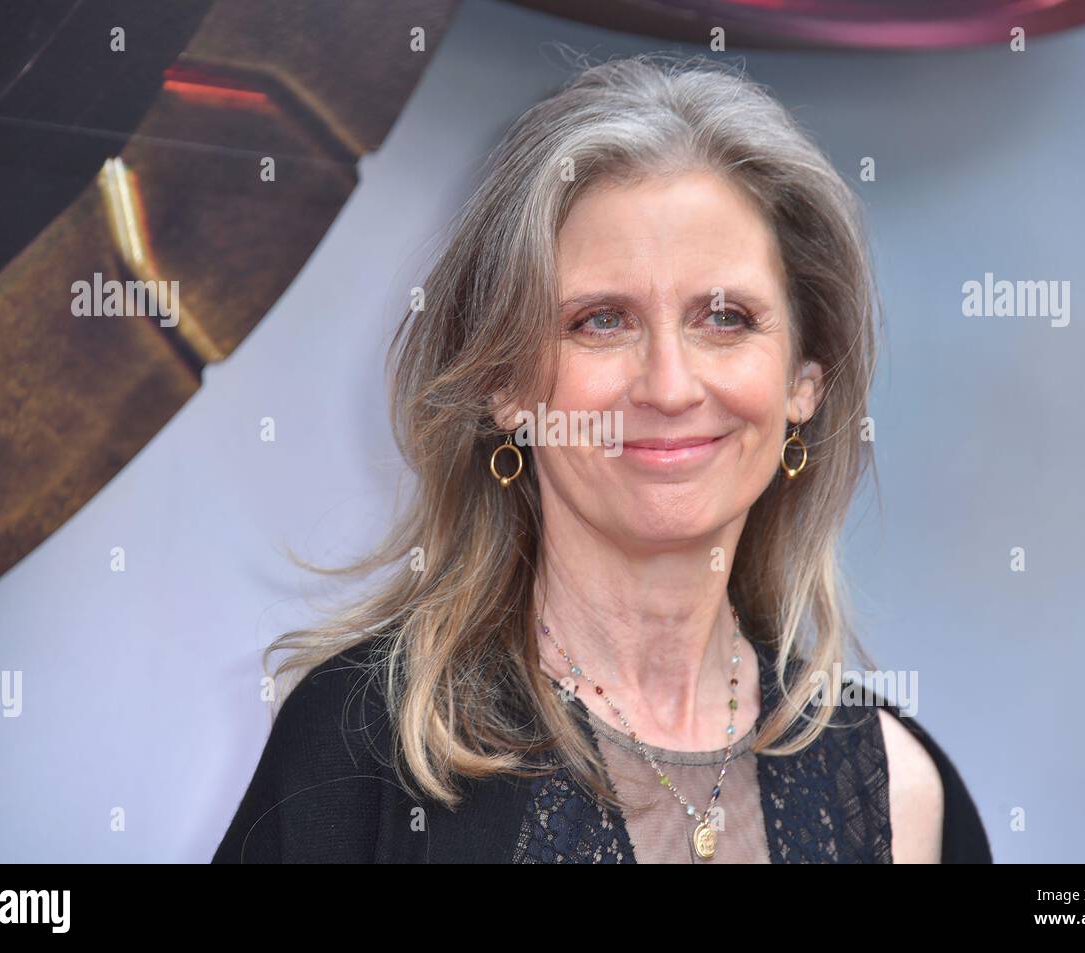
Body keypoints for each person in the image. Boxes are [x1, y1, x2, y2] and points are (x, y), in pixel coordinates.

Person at [213, 53, 991, 864]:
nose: (669, 385)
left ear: (804, 380)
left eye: (724, 317)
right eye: (600, 320)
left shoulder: (906, 800)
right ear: (504, 385)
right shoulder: (359, 755)